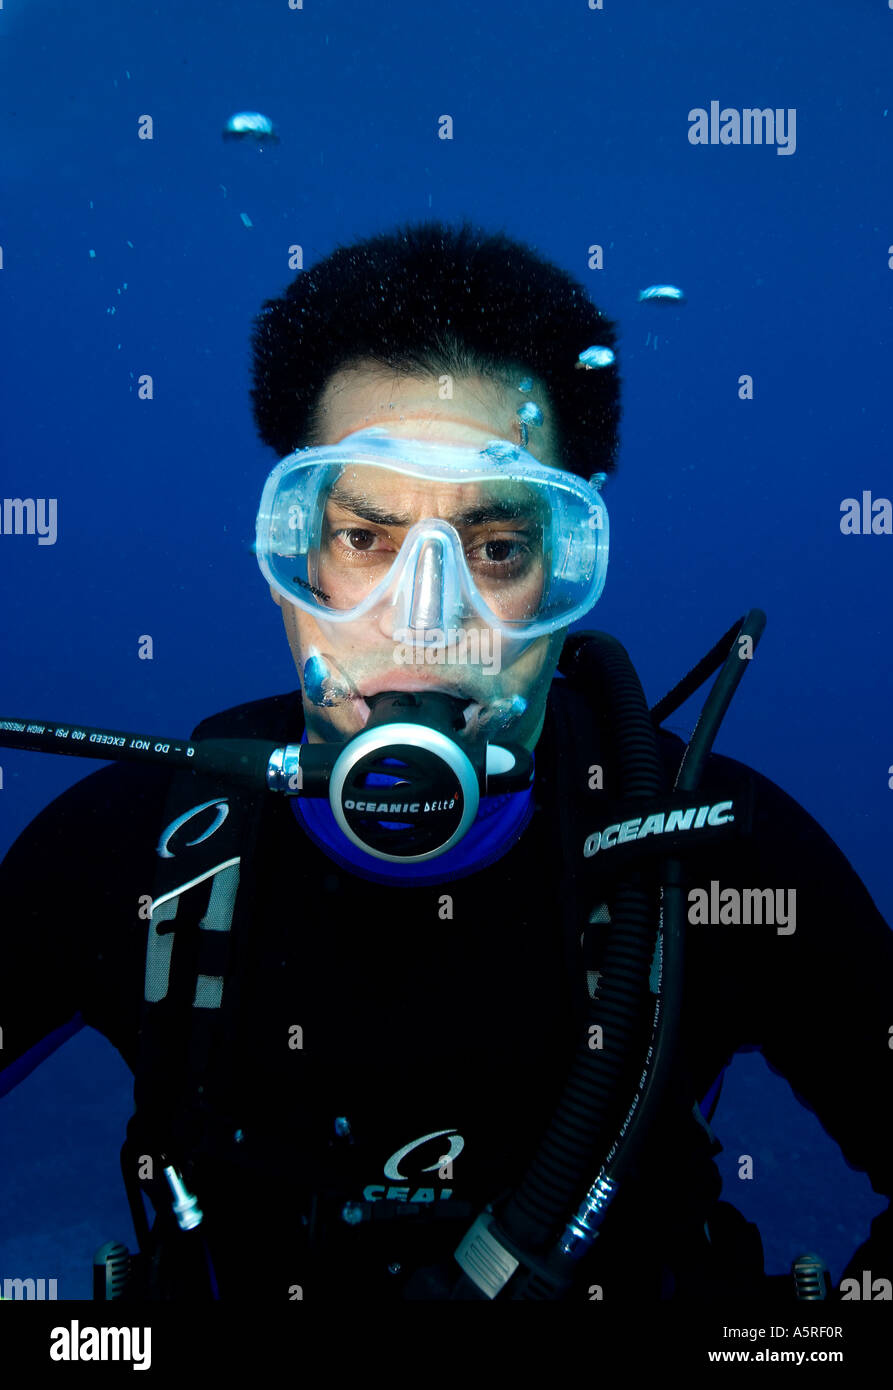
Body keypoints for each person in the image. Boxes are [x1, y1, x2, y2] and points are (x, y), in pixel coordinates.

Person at [1, 221, 891, 1304]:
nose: (425, 626)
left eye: (497, 549)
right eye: (365, 540)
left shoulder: (710, 858)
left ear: (565, 570)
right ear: (293, 559)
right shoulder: (130, 856)